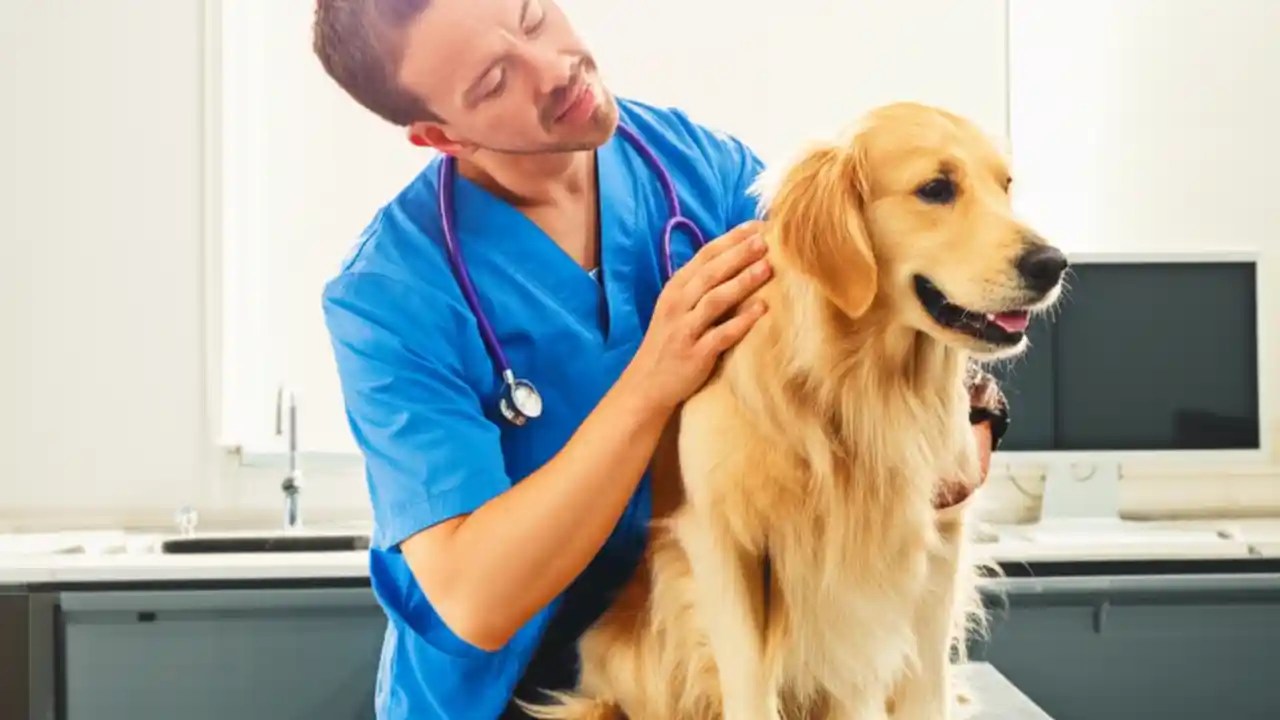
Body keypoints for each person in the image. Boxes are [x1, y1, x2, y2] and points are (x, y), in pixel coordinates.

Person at [311, 1, 1009, 718]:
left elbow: (856, 316)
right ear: (440, 135)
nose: (554, 68)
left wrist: (976, 412)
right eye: (494, 81)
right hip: (507, 701)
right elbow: (475, 598)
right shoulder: (389, 298)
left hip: (695, 675)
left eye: (531, 17)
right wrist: (650, 383)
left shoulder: (701, 173)